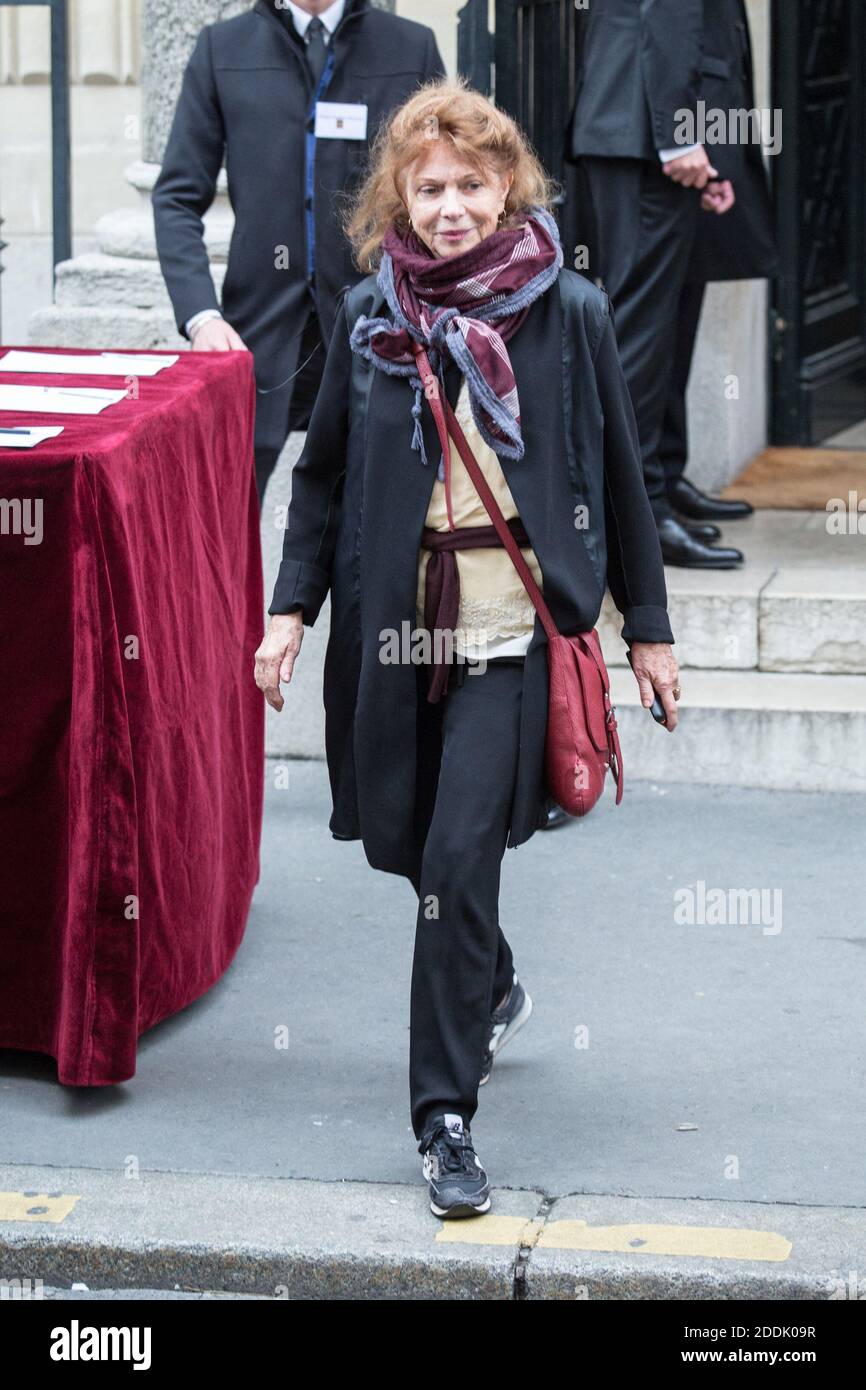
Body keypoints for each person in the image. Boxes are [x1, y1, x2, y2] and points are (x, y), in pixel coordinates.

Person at [254, 78, 680, 1220]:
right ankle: (488, 981)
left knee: (454, 858)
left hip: (507, 629)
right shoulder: (368, 315)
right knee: (405, 844)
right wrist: (289, 611)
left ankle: (443, 1117)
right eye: (429, 188)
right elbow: (322, 477)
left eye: (471, 186)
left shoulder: (569, 309)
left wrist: (647, 629)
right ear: (400, 196)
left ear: (508, 189)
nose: (450, 208)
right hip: (392, 631)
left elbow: (620, 476)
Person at [152, 0, 445, 508]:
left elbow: (441, 188)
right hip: (257, 330)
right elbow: (176, 197)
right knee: (224, 514)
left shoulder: (411, 47)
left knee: (377, 513)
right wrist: (201, 318)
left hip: (377, 326)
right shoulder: (222, 49)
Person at [567, 0, 758, 568]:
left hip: (650, 126)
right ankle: (637, 512)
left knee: (668, 318)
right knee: (642, 332)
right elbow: (665, 15)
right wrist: (677, 136)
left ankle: (662, 479)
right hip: (648, 133)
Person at [657, 0, 778, 530]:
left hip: (706, 149)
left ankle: (667, 473)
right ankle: (650, 492)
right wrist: (689, 147)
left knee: (682, 324)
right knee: (657, 333)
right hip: (675, 152)